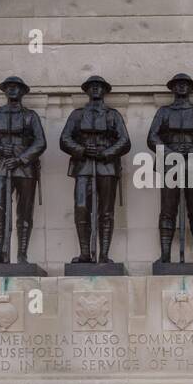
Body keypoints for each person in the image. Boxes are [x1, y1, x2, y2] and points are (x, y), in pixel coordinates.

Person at [59, 75, 131, 264]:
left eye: (99, 86)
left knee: (106, 211)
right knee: (82, 208)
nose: (96, 89)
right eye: (92, 86)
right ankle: (85, 253)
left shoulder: (113, 115)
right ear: (87, 90)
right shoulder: (77, 114)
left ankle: (104, 254)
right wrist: (82, 150)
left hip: (107, 166)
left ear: (105, 90)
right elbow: (65, 139)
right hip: (83, 166)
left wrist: (107, 153)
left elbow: (124, 141)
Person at [0, 76, 46, 264]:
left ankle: (22, 254)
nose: (12, 90)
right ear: (4, 91)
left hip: (25, 167)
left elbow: (40, 143)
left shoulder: (31, 116)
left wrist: (21, 159)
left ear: (23, 91)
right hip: (1, 165)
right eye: (9, 87)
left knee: (24, 211)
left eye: (16, 87)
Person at [147, 72, 193, 264]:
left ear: (190, 87)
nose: (181, 87)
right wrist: (170, 152)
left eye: (185, 84)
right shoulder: (164, 112)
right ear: (172, 88)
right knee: (168, 210)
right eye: (178, 84)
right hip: (170, 164)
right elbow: (152, 137)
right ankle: (166, 256)